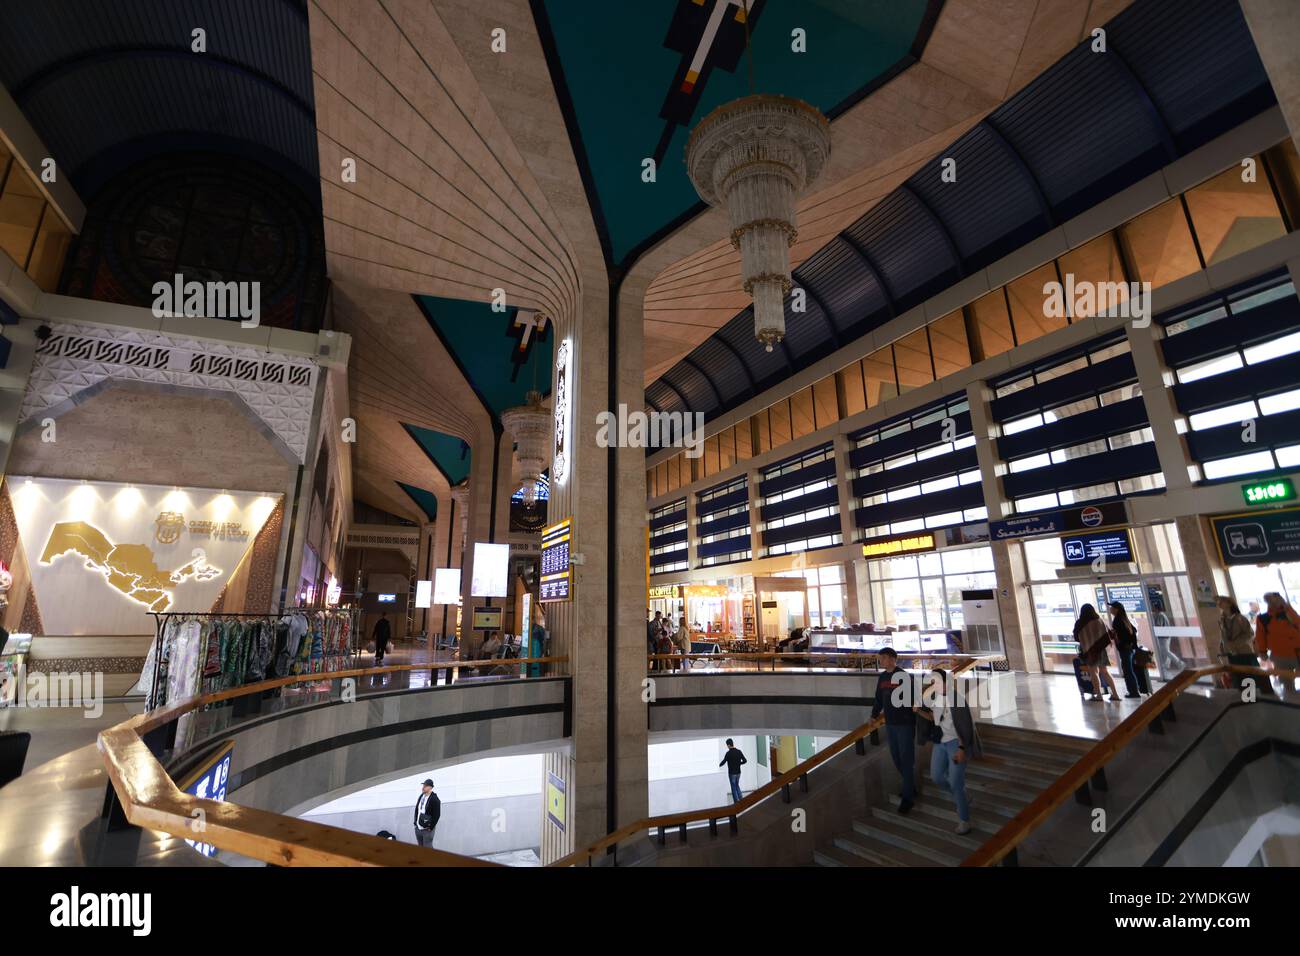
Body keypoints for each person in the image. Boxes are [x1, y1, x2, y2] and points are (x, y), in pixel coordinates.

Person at [914, 668, 982, 835]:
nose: (934, 685)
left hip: (956, 744)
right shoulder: (936, 698)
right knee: (937, 777)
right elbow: (934, 718)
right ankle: (963, 798)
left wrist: (961, 748)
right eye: (933, 682)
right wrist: (919, 711)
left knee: (956, 782)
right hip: (940, 743)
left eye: (937, 682)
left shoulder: (956, 699)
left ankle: (964, 819)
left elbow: (964, 726)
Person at [871, 647, 918, 813]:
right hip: (890, 724)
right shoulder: (883, 676)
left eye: (882, 658)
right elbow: (879, 698)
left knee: (906, 760)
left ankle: (908, 798)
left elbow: (912, 699)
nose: (880, 661)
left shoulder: (903, 676)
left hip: (904, 724)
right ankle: (909, 786)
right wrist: (874, 714)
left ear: (892, 659)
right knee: (896, 758)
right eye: (880, 658)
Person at [1255, 592, 1300, 700]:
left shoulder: (1289, 612)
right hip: (1279, 655)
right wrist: (1262, 651)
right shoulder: (1263, 618)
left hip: (1297, 652)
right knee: (1286, 682)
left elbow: (1298, 622)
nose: (1273, 602)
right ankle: (1292, 702)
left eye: (1275, 599)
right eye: (1269, 600)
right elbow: (1260, 636)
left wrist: (1286, 607)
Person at [1217, 596, 1268, 692]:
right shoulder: (1222, 620)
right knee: (1238, 677)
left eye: (1222, 601)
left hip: (1245, 652)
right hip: (1231, 654)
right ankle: (1245, 699)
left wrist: (1236, 644)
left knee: (1249, 676)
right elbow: (1223, 637)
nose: (1219, 603)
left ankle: (1254, 699)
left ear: (1229, 603)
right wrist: (1222, 648)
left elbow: (1250, 634)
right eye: (1218, 602)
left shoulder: (1240, 618)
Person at [1075, 604, 1122, 702]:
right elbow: (1108, 633)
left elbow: (1076, 636)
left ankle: (1099, 695)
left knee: (1093, 672)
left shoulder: (1080, 623)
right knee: (1105, 671)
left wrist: (1087, 639)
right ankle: (1115, 694)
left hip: (1089, 651)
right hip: (1101, 650)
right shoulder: (1099, 620)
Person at [1108, 602, 1142, 698]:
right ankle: (1134, 690)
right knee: (1129, 670)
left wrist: (1115, 635)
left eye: (1112, 607)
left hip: (1125, 649)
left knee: (1127, 671)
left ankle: (1133, 692)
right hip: (1129, 648)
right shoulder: (1124, 619)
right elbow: (1133, 631)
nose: (1110, 609)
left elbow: (1122, 635)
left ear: (1117, 609)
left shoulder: (1118, 620)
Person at [1149, 598, 1183, 681]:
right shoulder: (1160, 614)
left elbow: (1159, 626)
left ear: (1156, 607)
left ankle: (1179, 663)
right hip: (1164, 636)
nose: (1152, 608)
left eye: (1153, 607)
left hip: (1163, 636)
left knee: (1166, 651)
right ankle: (1165, 667)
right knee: (1164, 652)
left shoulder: (1160, 615)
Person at [413, 779, 440, 848]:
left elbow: (437, 815)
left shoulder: (434, 799)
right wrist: (415, 823)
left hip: (427, 830)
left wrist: (431, 827)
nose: (423, 787)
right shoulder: (421, 796)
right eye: (423, 785)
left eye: (425, 786)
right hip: (418, 828)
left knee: (428, 850)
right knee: (420, 848)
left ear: (430, 787)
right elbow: (417, 809)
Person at [719, 738, 747, 803]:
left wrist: (718, 765)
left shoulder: (728, 753)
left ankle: (736, 803)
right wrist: (739, 763)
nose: (727, 746)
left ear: (728, 745)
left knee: (733, 788)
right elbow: (745, 761)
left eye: (727, 745)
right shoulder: (739, 751)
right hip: (738, 773)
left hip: (732, 774)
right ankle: (742, 801)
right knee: (737, 786)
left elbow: (723, 761)